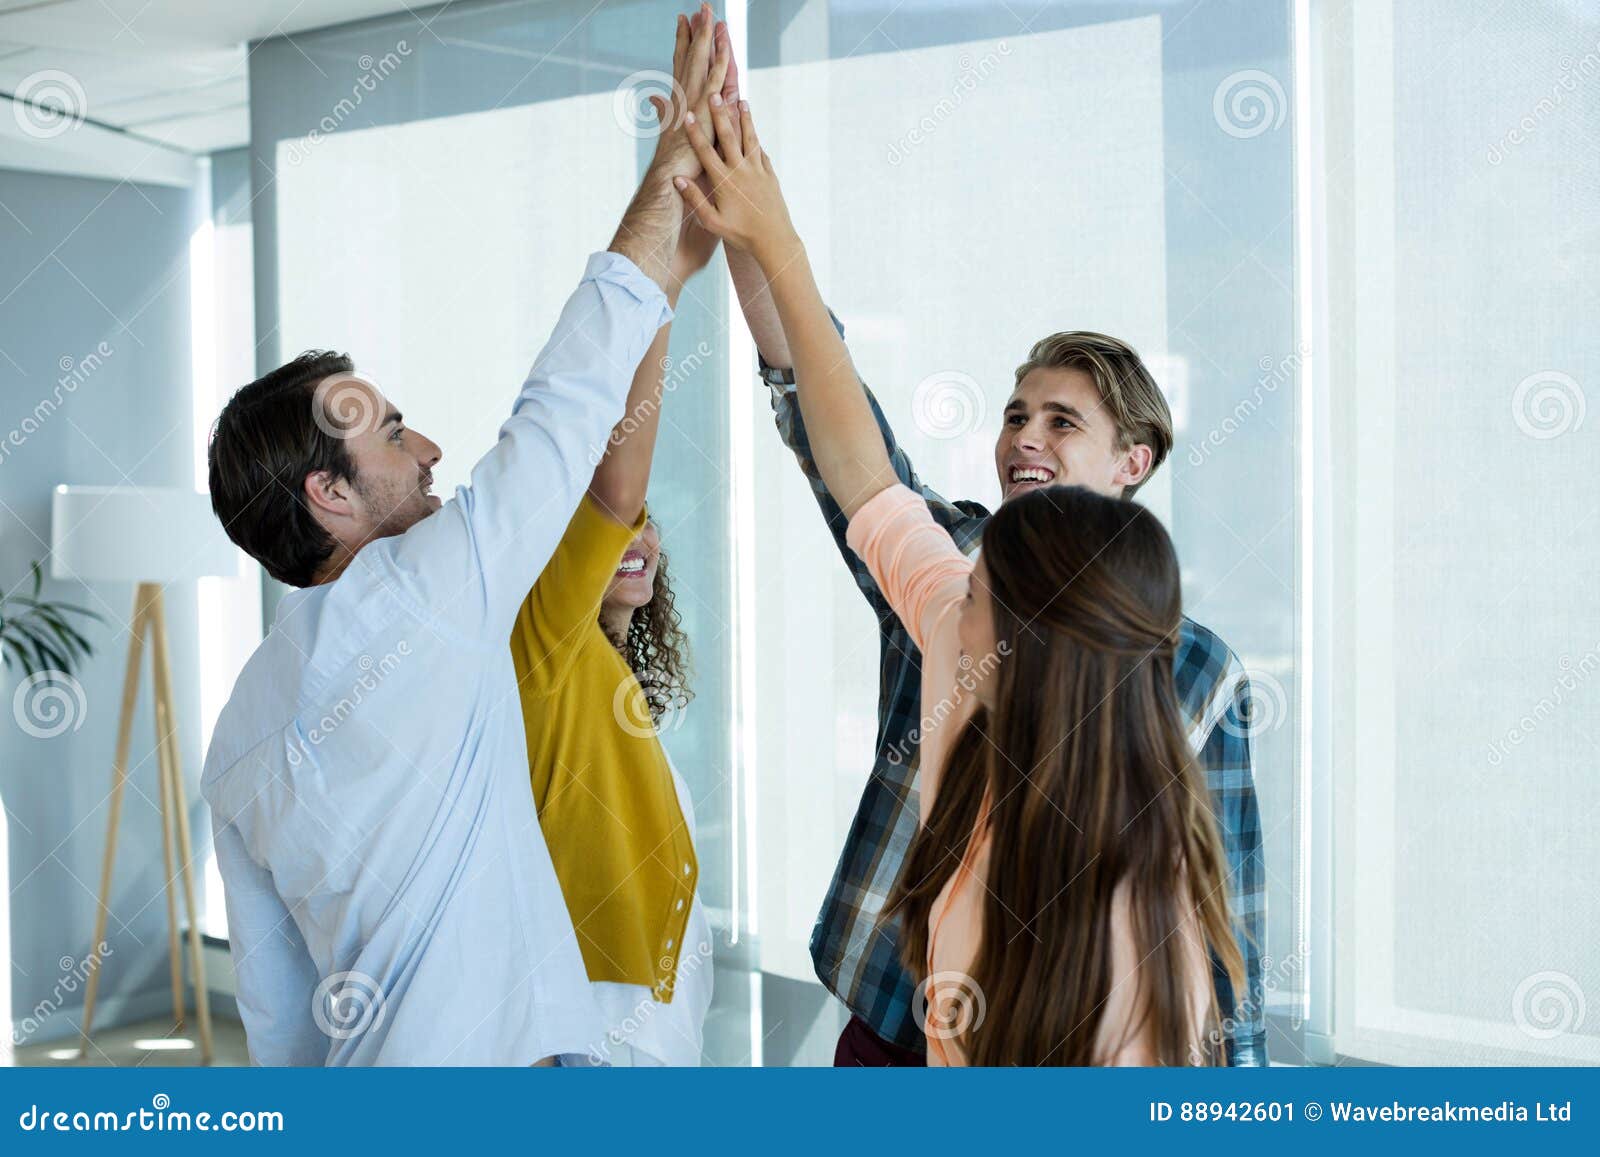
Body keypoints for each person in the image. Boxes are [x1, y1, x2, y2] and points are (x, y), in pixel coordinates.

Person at [691, 60, 1266, 1064]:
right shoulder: (960, 581)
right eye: (1013, 414)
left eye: (1060, 420)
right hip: (897, 1022)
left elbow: (1231, 914)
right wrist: (753, 225)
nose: (1023, 438)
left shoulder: (1191, 679)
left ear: (1132, 463)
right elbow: (834, 427)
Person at [199, 4, 728, 1066]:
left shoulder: (237, 738)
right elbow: (564, 410)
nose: (429, 446)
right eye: (393, 433)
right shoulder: (425, 600)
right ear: (331, 497)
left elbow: (275, 1009)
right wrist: (670, 168)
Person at [507, 8, 723, 1067]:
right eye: (604, 534)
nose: (634, 537)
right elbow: (612, 461)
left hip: (649, 1006)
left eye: (646, 534)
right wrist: (668, 264)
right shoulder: (538, 645)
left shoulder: (600, 658)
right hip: (588, 1031)